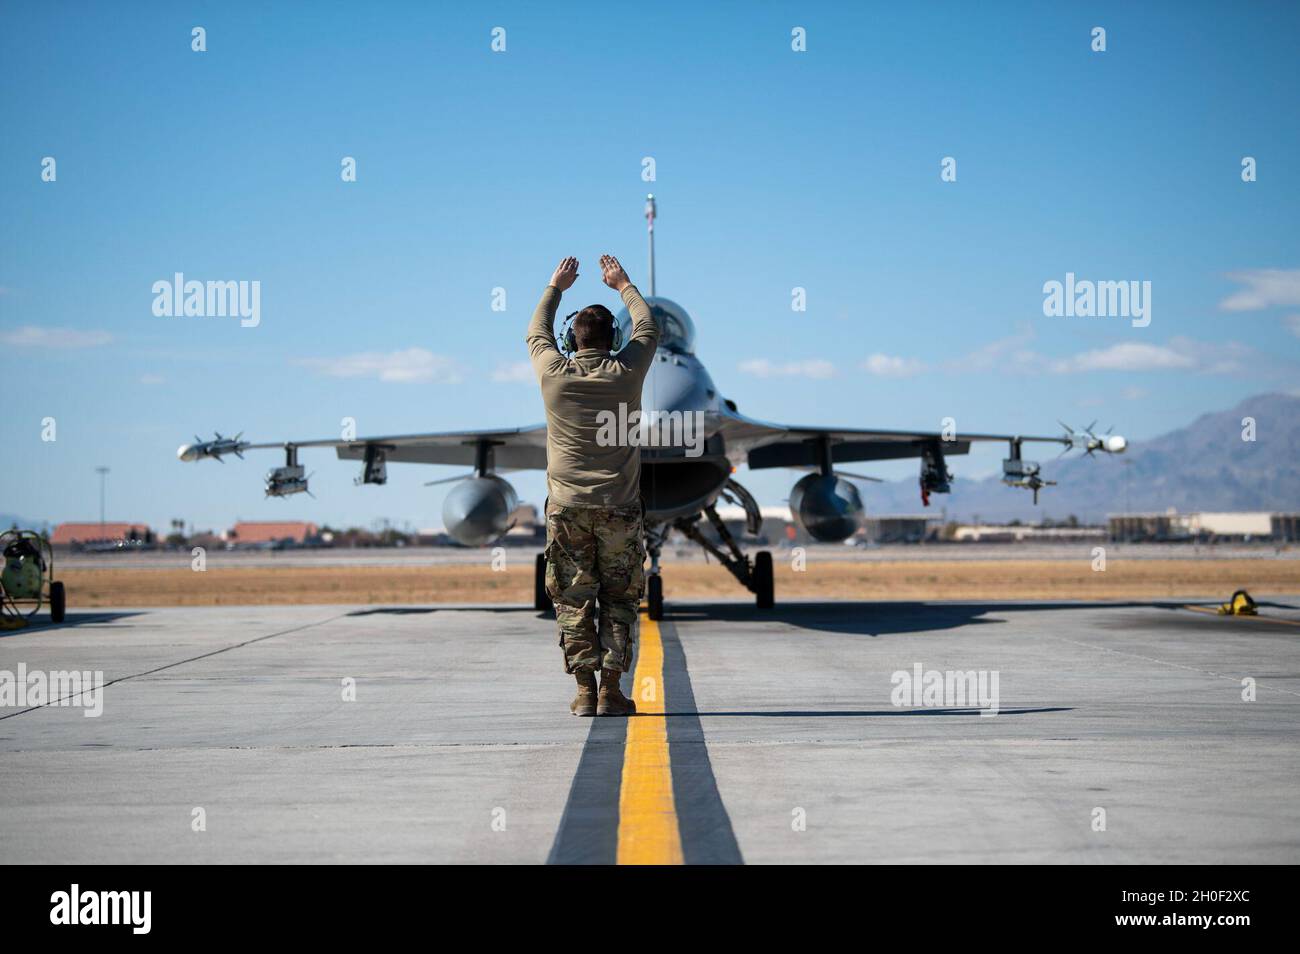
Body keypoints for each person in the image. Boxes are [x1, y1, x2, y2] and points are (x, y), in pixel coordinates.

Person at [526, 254, 659, 716]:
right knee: (619, 599)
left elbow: (535, 333)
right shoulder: (626, 375)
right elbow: (648, 330)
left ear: (570, 340)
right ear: (614, 341)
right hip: (619, 509)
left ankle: (584, 692)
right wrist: (622, 284)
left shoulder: (553, 376)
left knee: (573, 599)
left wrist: (555, 286)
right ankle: (611, 691)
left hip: (566, 508)